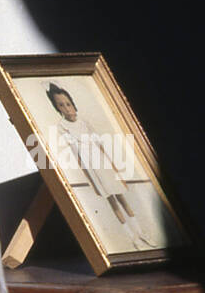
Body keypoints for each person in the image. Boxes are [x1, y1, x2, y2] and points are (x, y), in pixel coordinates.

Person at [45, 83, 156, 250]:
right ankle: (132, 237)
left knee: (121, 196)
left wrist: (113, 166)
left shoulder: (84, 122)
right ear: (57, 108)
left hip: (103, 162)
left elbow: (100, 144)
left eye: (68, 104)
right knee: (111, 199)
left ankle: (140, 232)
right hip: (92, 167)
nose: (66, 108)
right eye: (61, 105)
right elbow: (76, 153)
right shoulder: (63, 127)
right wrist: (89, 176)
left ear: (73, 103)